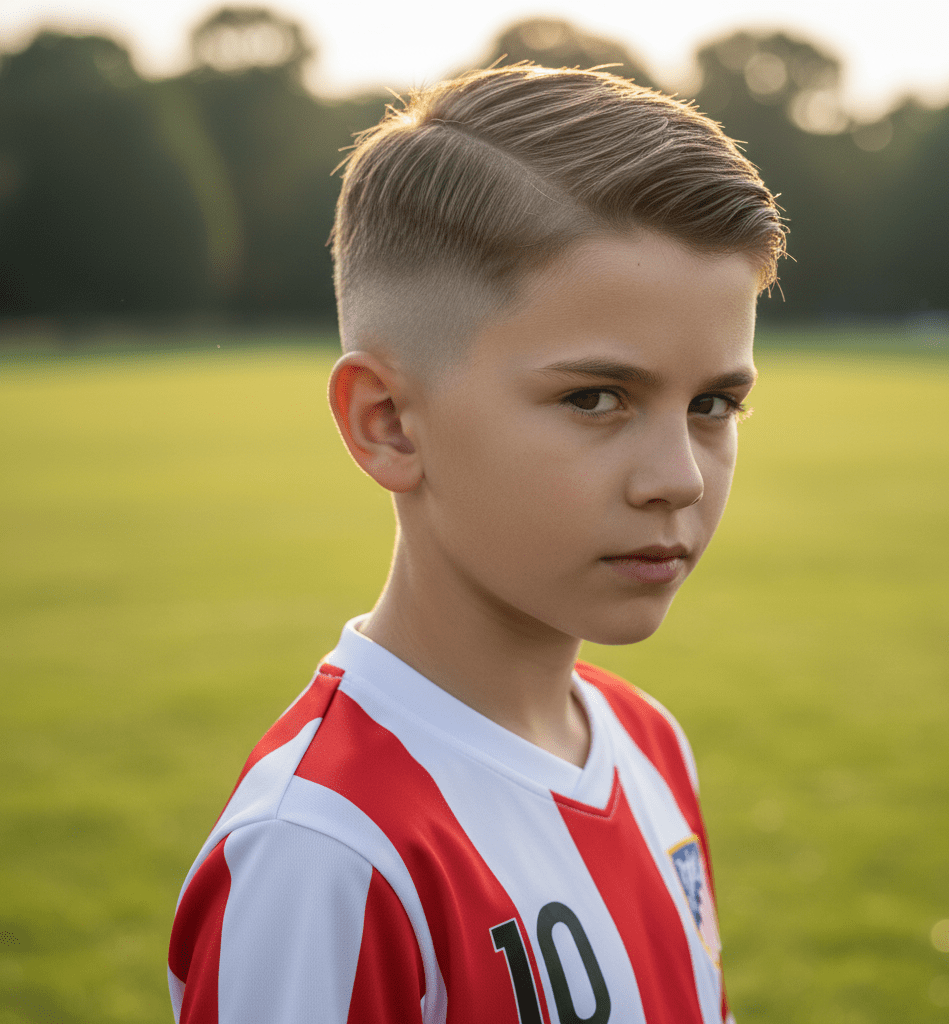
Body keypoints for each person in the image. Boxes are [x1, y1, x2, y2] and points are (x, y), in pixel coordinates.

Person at [168, 64, 785, 1024]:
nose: (680, 476)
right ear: (389, 424)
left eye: (714, 404)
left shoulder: (649, 745)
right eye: (596, 398)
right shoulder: (328, 849)